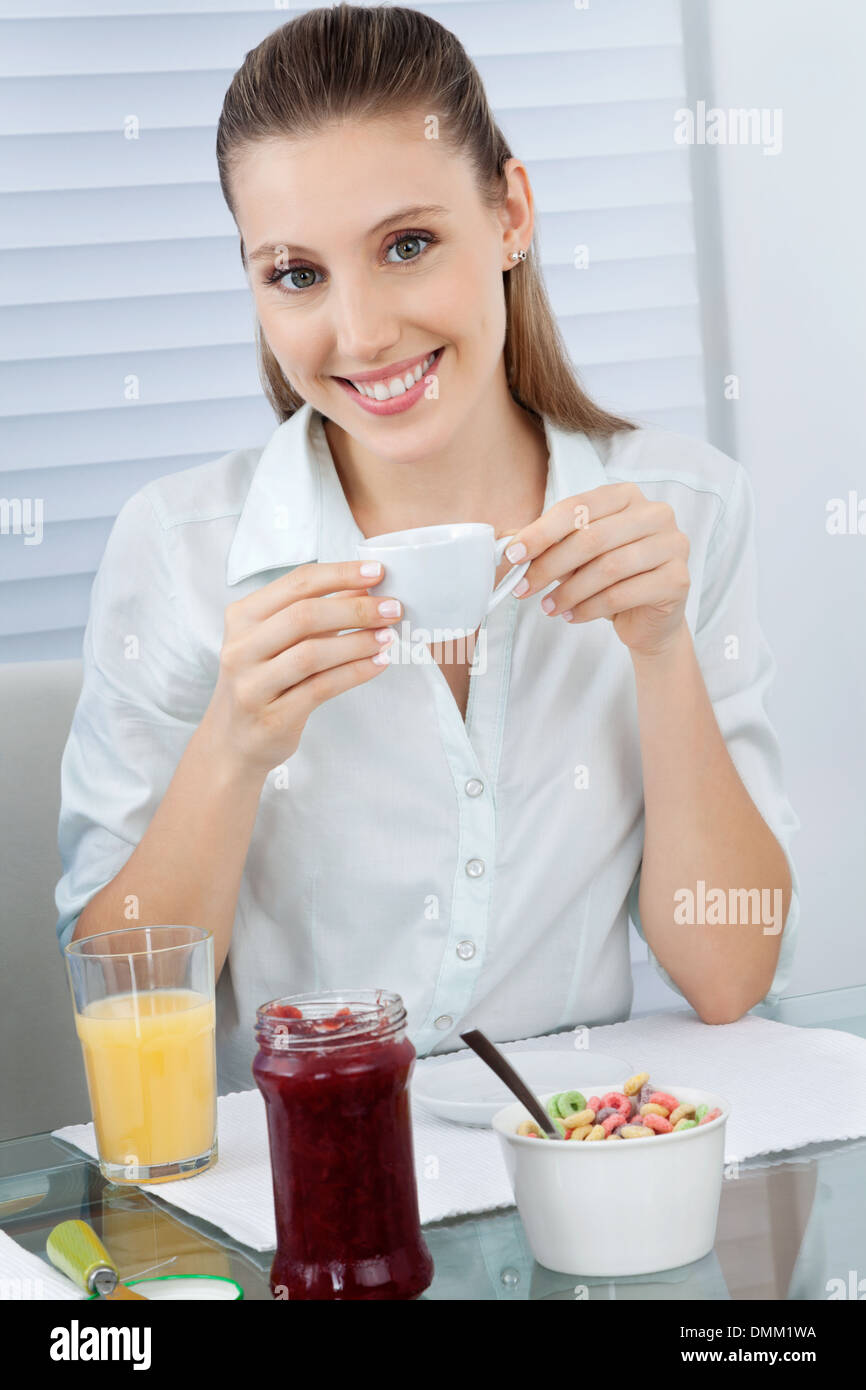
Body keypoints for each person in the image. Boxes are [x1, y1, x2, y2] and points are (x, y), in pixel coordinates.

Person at [55, 5, 799, 1092]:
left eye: (406, 245)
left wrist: (658, 647)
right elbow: (120, 1014)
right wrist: (234, 744)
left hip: (566, 1169)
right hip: (302, 1200)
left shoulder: (682, 506)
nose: (358, 333)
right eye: (295, 274)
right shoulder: (176, 551)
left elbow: (729, 974)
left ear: (510, 215)